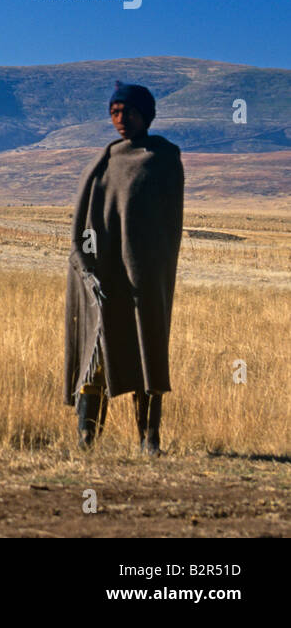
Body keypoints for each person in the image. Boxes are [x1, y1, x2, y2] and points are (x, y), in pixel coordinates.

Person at [64, 82, 184, 455]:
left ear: (145, 115)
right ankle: (87, 442)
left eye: (127, 112)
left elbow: (167, 226)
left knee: (147, 351)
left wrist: (152, 270)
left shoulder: (162, 158)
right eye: (114, 112)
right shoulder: (103, 163)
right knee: (96, 356)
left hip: (145, 277)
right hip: (103, 278)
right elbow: (86, 223)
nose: (120, 119)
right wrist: (88, 267)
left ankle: (149, 440)